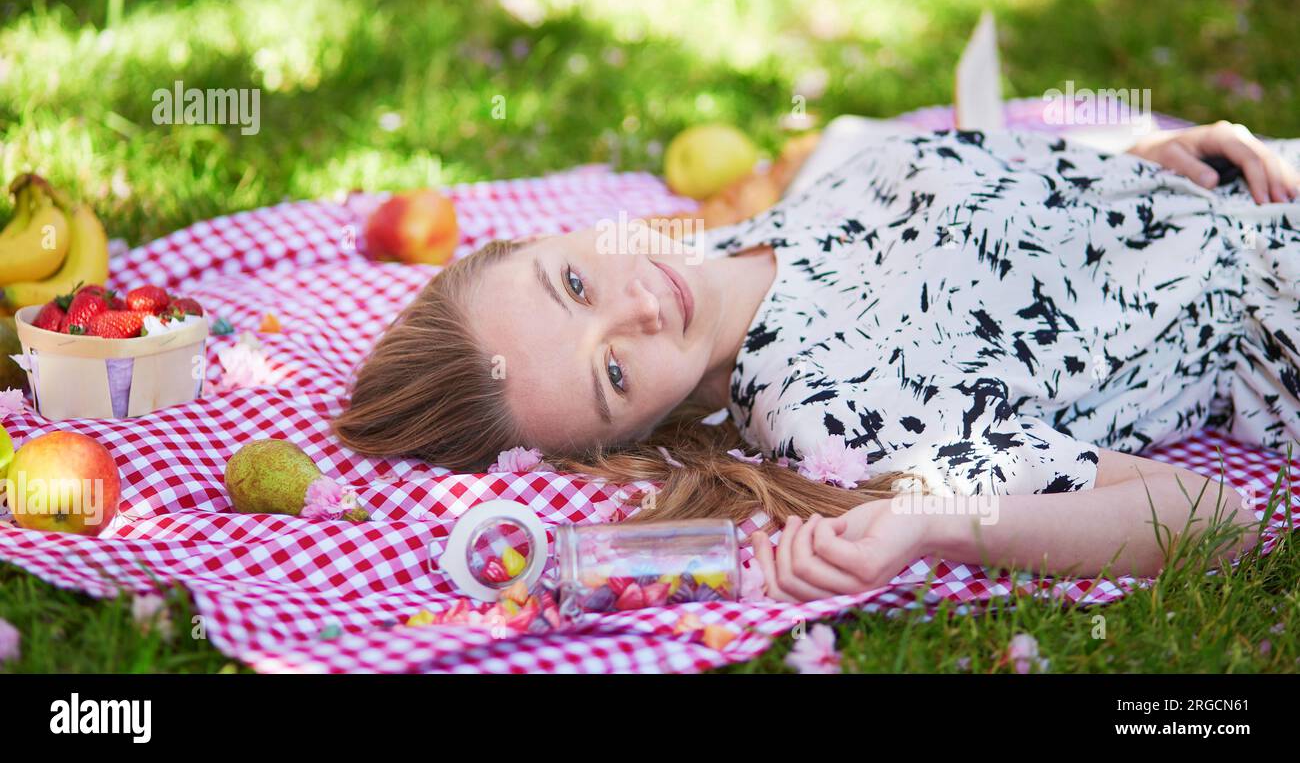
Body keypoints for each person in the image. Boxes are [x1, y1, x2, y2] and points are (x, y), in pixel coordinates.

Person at [334, 118, 1297, 601]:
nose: (635, 309)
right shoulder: (833, 409)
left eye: (574, 286)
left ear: (554, 237)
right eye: (613, 375)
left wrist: (1136, 159)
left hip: (1250, 181)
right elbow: (1216, 514)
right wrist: (936, 530)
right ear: (638, 429)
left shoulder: (747, 229)